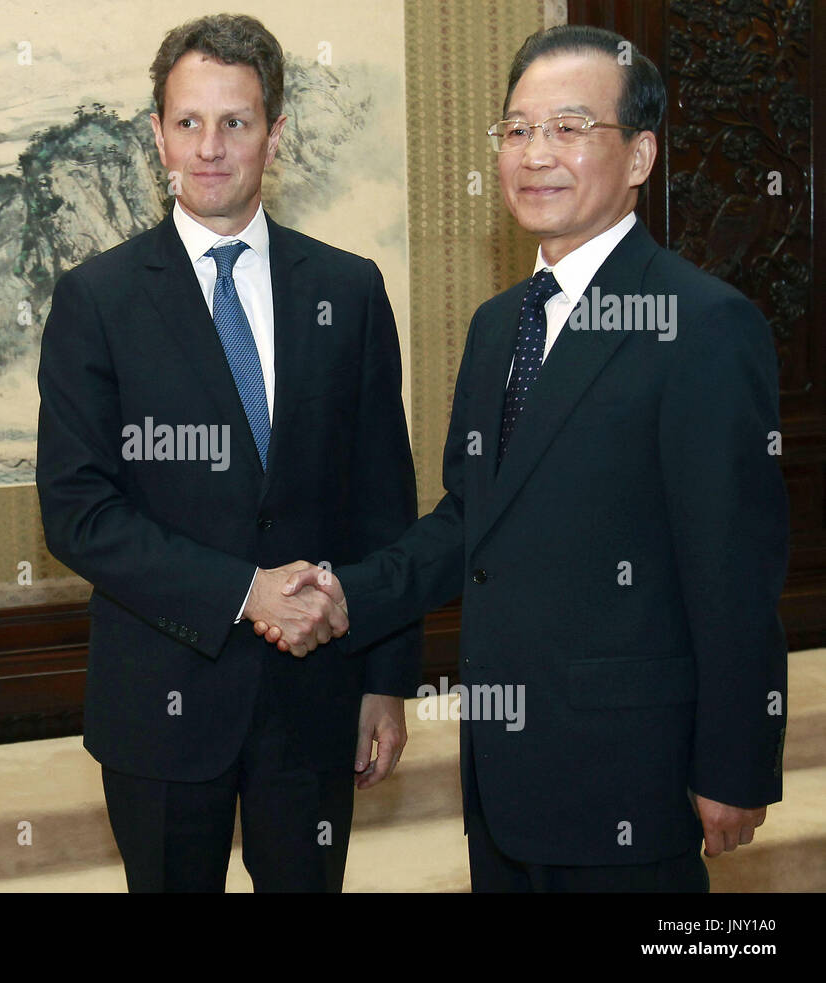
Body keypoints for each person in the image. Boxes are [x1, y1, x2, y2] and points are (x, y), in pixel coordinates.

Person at [264, 25, 788, 892]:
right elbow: (470, 523)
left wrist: (734, 766)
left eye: (570, 128)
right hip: (504, 776)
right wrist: (344, 590)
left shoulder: (701, 324)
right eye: (516, 130)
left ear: (640, 156)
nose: (535, 154)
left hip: (629, 774)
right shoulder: (498, 324)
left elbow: (735, 570)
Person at [36, 13, 421, 893]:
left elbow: (383, 505)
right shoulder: (96, 300)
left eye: (236, 122)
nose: (210, 148)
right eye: (187, 123)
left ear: (274, 134)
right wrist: (247, 592)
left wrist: (387, 680)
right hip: (162, 707)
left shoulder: (348, 290)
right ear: (158, 135)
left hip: (317, 701)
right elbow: (78, 513)